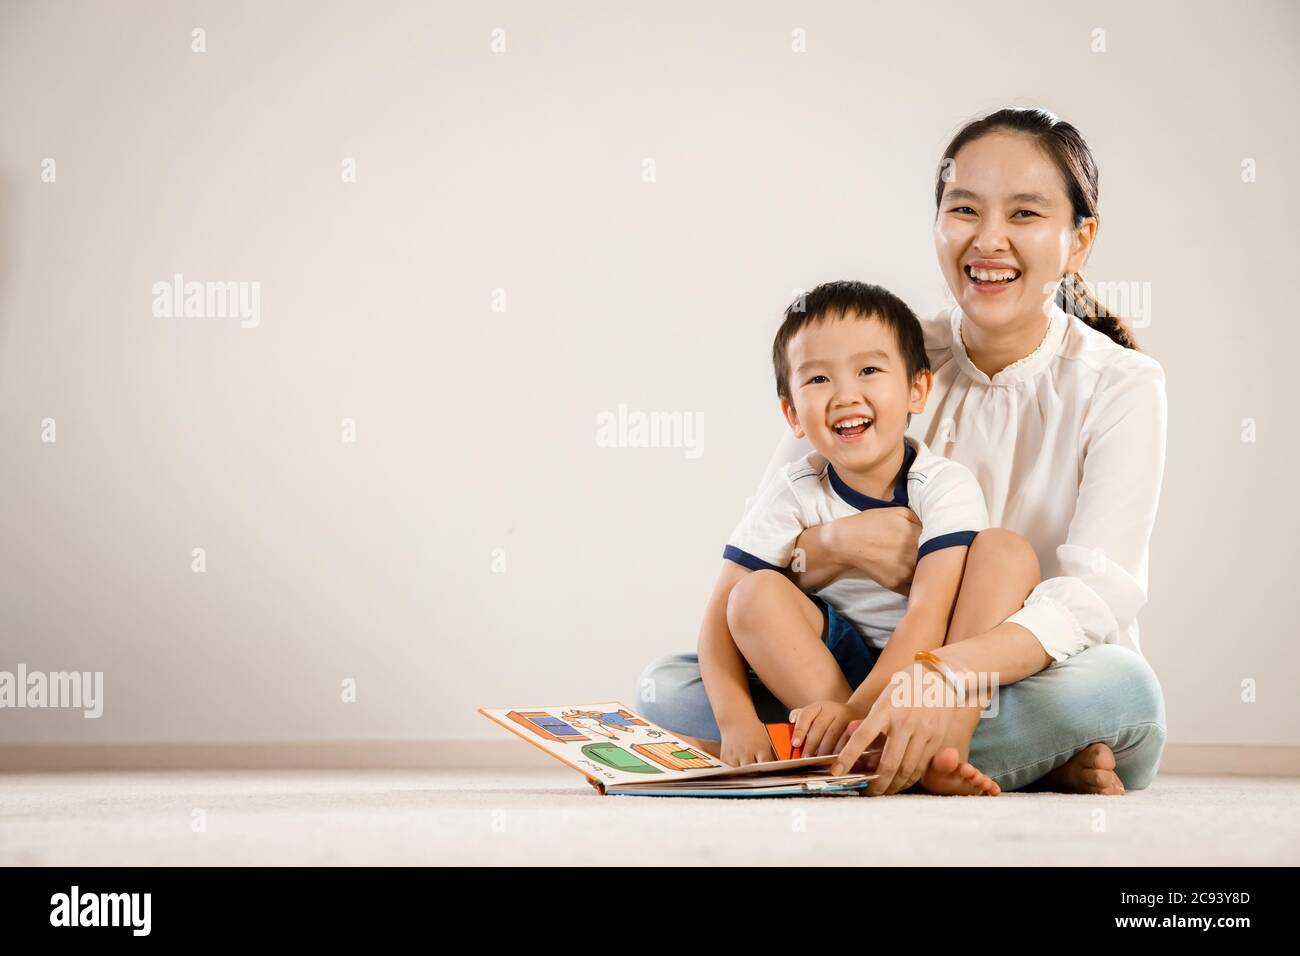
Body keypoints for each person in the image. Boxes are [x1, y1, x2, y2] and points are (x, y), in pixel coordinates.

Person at [635, 107, 1168, 796]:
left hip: (1019, 674)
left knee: (1121, 688)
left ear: (1078, 241)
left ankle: (873, 750)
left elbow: (1097, 597)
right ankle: (986, 758)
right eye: (964, 209)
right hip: (852, 670)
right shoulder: (875, 355)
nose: (989, 239)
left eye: (1026, 215)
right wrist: (831, 550)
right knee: (667, 687)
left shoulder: (1120, 383)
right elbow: (764, 555)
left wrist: (949, 676)